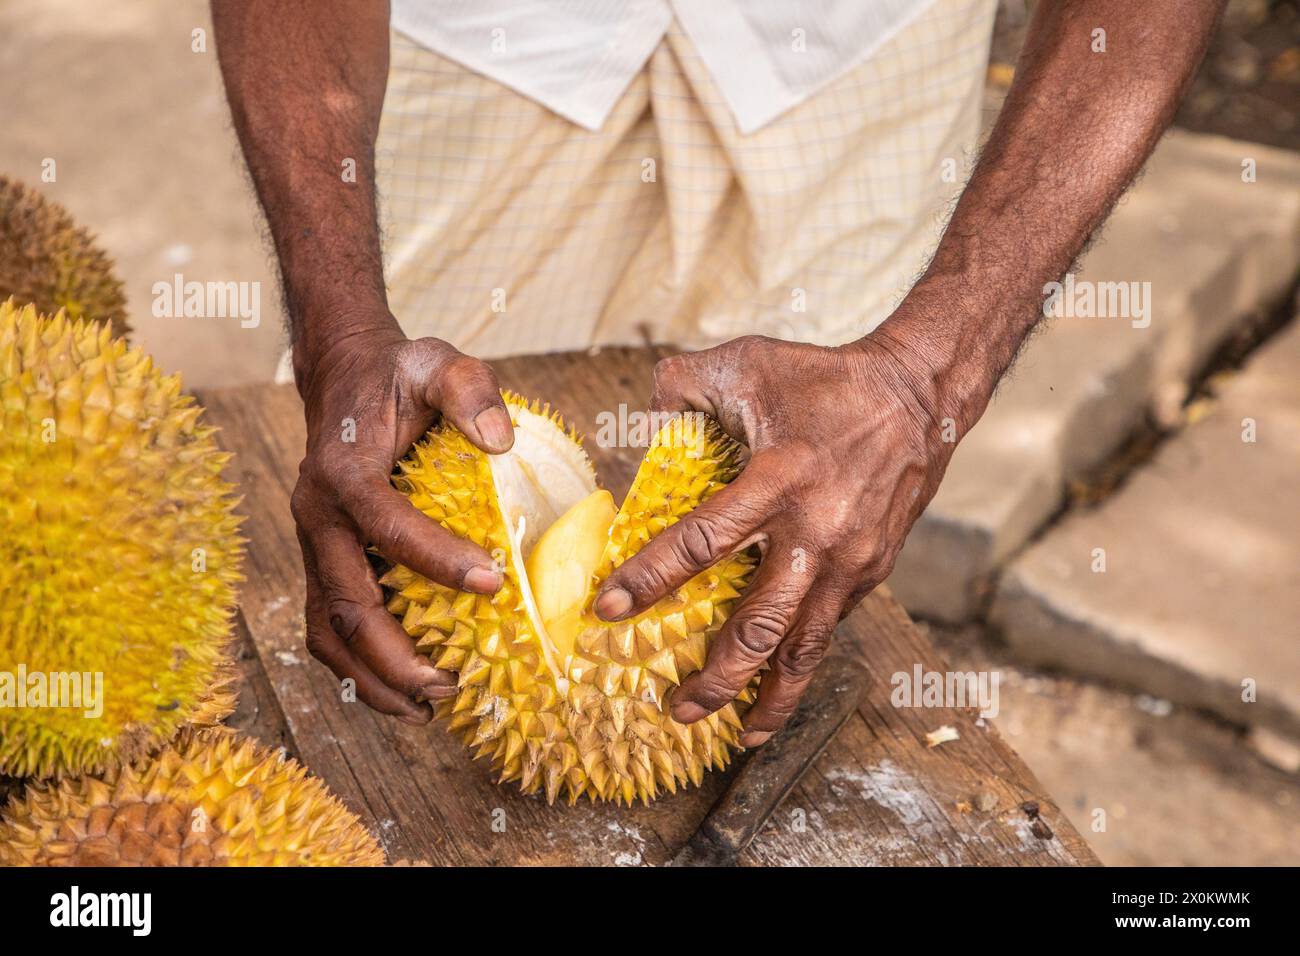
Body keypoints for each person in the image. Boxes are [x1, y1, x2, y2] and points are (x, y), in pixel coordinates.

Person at [211, 0, 1224, 745]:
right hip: (475, 44)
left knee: (808, 533)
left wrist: (928, 376)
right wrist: (339, 324)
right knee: (385, 554)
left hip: (861, 55)